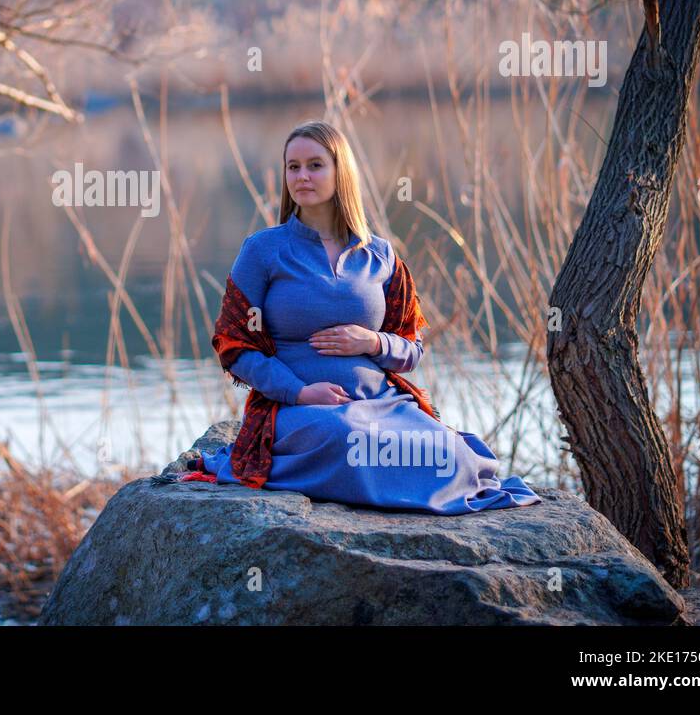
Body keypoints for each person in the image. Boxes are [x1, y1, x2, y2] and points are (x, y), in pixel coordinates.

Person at [198, 121, 541, 514]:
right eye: (293, 167)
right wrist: (299, 392)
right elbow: (234, 346)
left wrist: (373, 342)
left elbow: (411, 350)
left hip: (382, 404)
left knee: (452, 454)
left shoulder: (380, 255)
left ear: (340, 172)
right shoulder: (262, 250)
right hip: (299, 411)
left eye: (314, 165)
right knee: (346, 440)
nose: (302, 176)